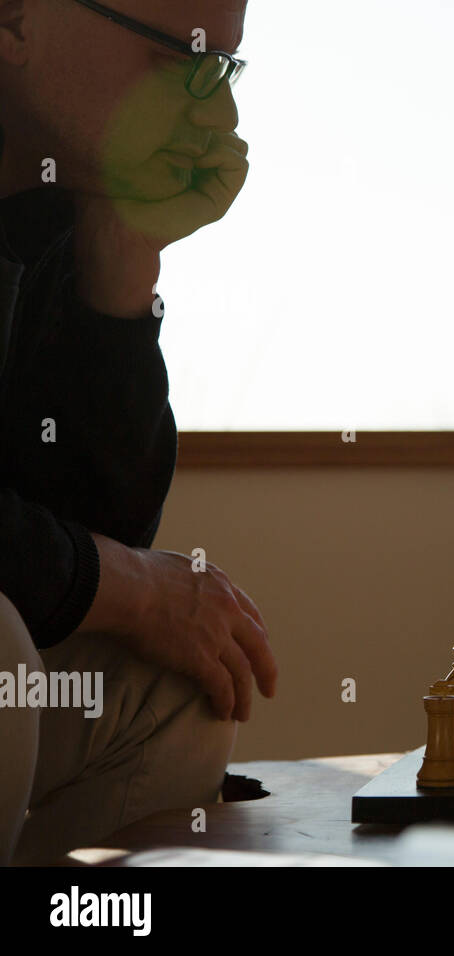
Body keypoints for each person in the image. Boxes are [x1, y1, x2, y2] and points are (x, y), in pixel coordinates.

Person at [0, 0, 275, 865]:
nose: (211, 110)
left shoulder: (50, 204)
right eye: (180, 54)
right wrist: (136, 587)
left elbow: (80, 554)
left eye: (223, 68)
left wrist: (124, 258)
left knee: (180, 680)